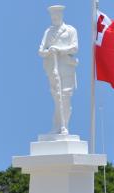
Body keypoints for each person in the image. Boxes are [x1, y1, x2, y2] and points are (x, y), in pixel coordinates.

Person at [38, 5, 78, 135]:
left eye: (56, 15)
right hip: (52, 68)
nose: (54, 18)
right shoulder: (48, 32)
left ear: (61, 15)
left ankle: (64, 125)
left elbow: (74, 48)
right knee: (57, 97)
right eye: (52, 16)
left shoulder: (70, 30)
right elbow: (40, 51)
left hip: (67, 67)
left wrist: (59, 50)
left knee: (65, 96)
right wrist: (49, 51)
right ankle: (57, 126)